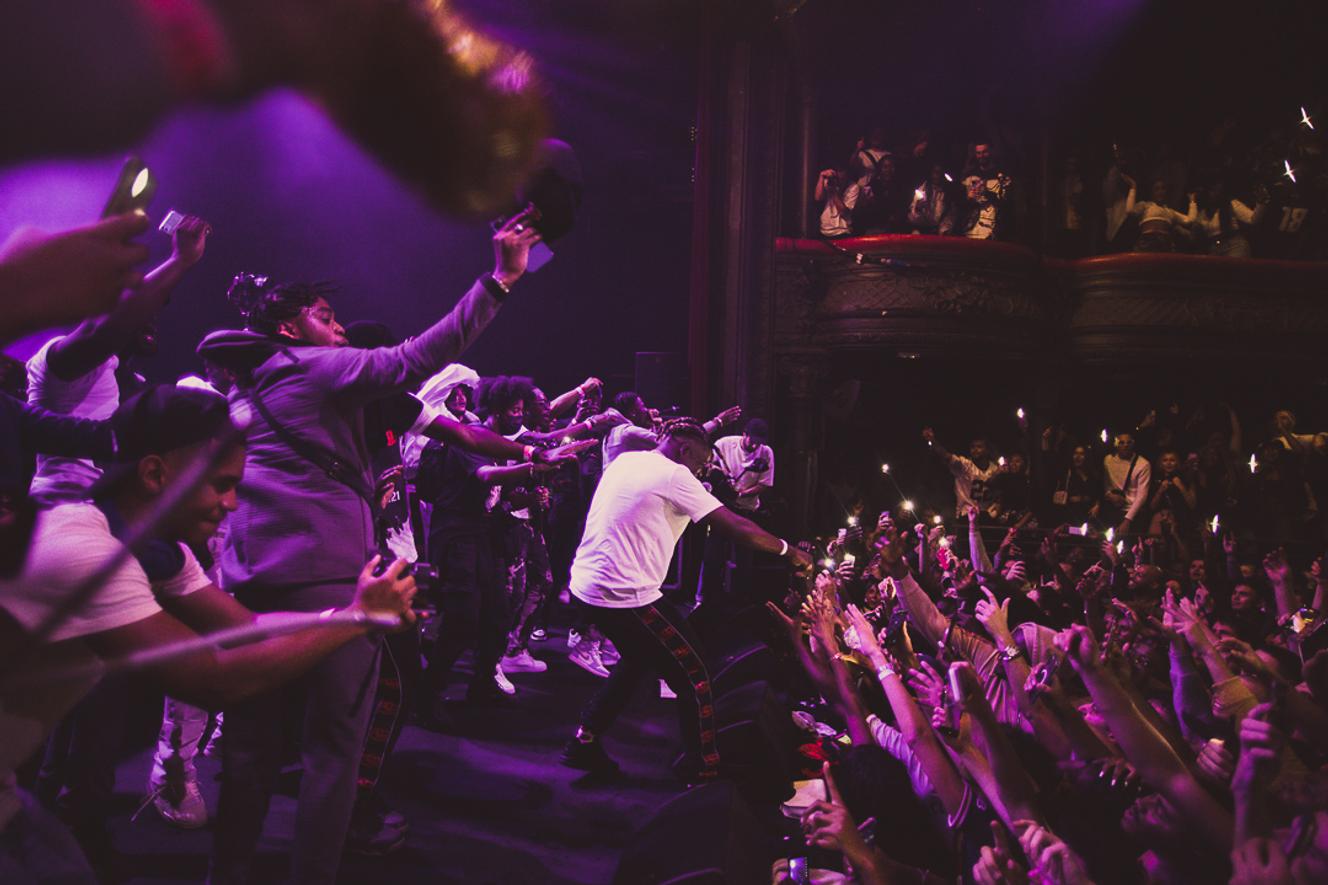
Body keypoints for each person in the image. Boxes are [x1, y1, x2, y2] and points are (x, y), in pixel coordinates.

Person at [197, 210, 541, 884]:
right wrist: (499, 280)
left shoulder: (250, 388)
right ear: (293, 329)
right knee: (333, 753)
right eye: (327, 316)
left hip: (248, 584)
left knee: (249, 751)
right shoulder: (315, 368)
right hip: (328, 584)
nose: (342, 328)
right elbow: (416, 356)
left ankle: (226, 873)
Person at [0, 386, 417, 881]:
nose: (232, 503)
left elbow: (247, 628)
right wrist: (357, 619)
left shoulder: (154, 549)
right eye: (221, 484)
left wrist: (351, 610)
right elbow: (215, 678)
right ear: (155, 473)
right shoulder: (85, 551)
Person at [561, 417, 811, 781]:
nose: (701, 470)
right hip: (626, 595)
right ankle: (703, 769)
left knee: (635, 661)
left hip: (587, 586)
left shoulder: (628, 459)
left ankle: (584, 742)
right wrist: (790, 552)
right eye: (700, 461)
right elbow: (737, 527)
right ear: (684, 450)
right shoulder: (675, 475)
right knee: (695, 676)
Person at [921, 427, 1000, 519]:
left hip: (986, 516)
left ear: (986, 450)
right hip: (965, 514)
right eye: (972, 447)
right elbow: (946, 456)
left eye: (979, 447)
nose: (975, 450)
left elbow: (998, 494)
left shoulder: (995, 469)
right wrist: (933, 441)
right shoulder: (964, 465)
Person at [958, 142, 1013, 240]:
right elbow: (959, 204)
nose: (981, 156)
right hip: (971, 230)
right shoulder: (969, 175)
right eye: (978, 153)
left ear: (991, 152)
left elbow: (1008, 204)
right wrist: (968, 198)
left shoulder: (1002, 176)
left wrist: (987, 193)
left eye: (984, 152)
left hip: (993, 231)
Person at [1102, 431, 1151, 536]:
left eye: (1128, 443)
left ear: (1133, 444)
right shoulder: (1108, 460)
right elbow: (1105, 485)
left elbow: (1142, 496)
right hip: (1113, 509)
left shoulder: (1143, 464)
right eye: (1122, 442)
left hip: (1133, 512)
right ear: (1116, 444)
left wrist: (1128, 519)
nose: (1125, 446)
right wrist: (1110, 495)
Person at [815, 168, 860, 238]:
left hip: (842, 231)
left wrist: (834, 192)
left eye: (841, 170)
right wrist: (821, 176)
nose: (839, 174)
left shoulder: (853, 187)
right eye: (837, 171)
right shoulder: (828, 181)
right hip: (824, 230)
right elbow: (818, 198)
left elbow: (844, 212)